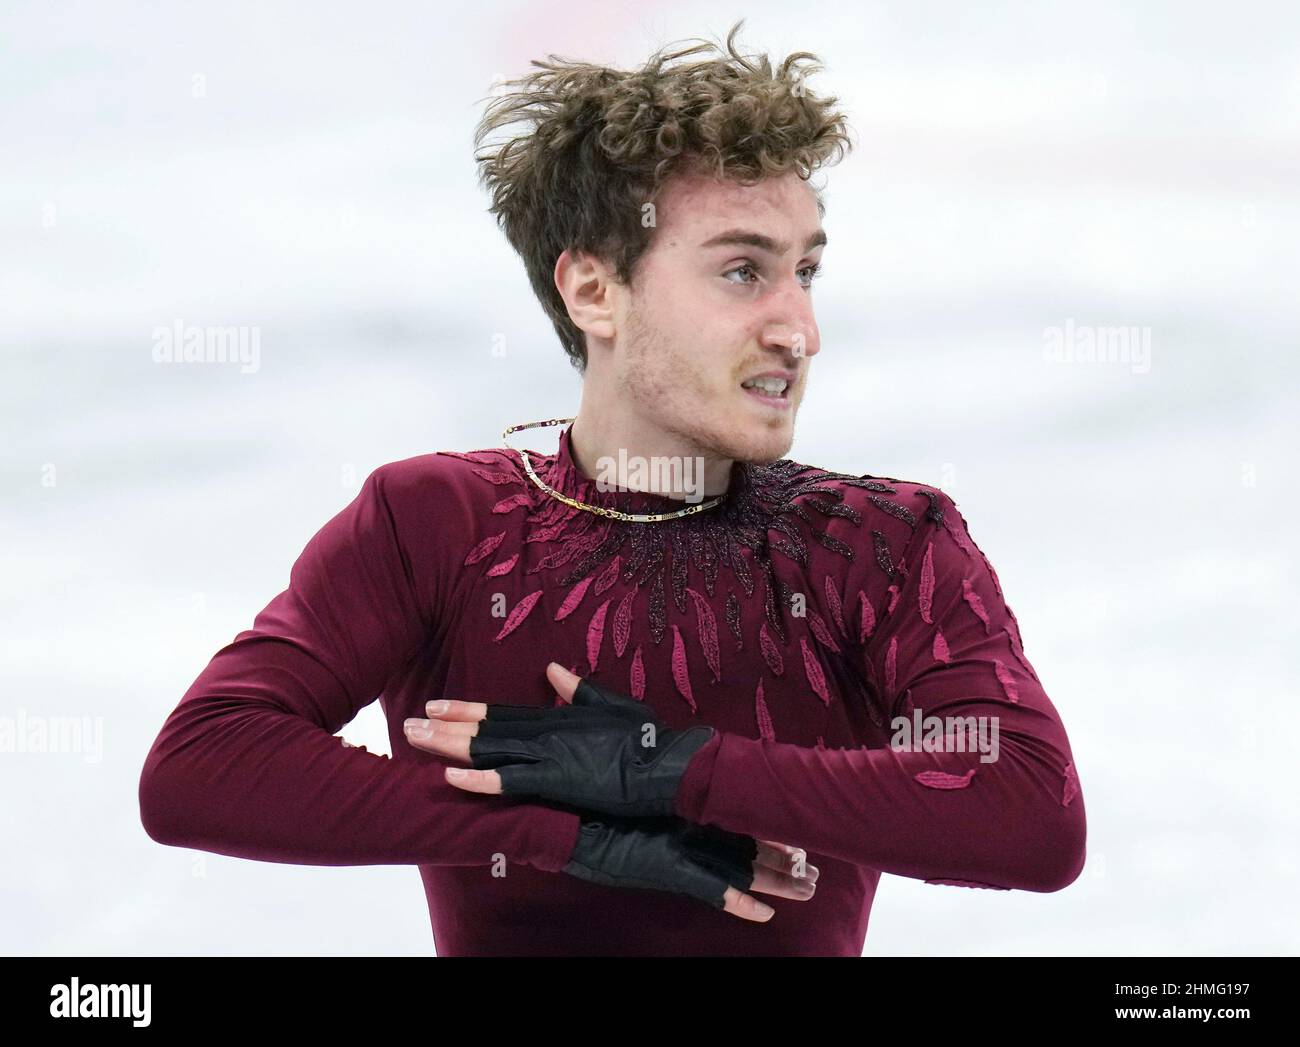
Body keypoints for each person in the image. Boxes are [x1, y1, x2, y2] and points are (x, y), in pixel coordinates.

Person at [138, 20, 1086, 957]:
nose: (799, 328)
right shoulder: (434, 524)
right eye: (743, 271)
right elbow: (202, 765)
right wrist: (558, 828)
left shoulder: (880, 545)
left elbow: (1033, 813)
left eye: (806, 271)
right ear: (594, 290)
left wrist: (676, 770)